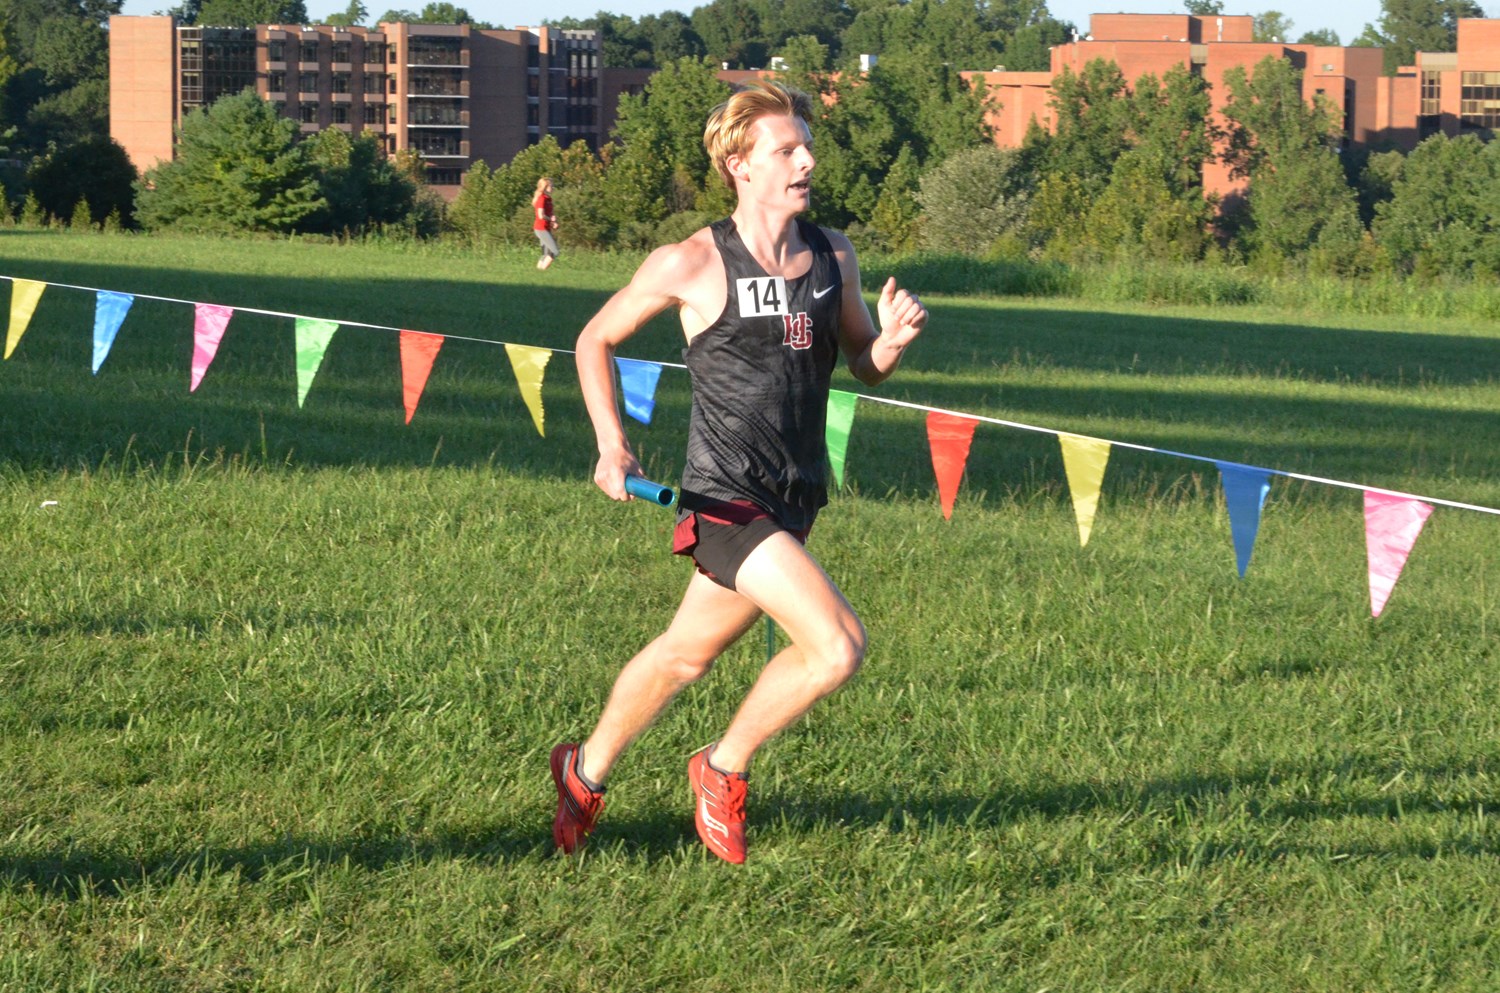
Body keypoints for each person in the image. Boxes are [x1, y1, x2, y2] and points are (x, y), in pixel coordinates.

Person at [556, 80, 928, 864]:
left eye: (806, 145)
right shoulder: (692, 260)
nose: (807, 160)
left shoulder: (831, 255)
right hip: (725, 499)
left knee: (683, 655)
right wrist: (611, 444)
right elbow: (595, 339)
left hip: (795, 498)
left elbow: (862, 362)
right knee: (836, 646)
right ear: (739, 165)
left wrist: (889, 343)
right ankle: (720, 767)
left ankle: (581, 771)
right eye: (786, 149)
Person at [533, 176, 558, 270]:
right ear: (545, 187)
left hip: (545, 228)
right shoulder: (542, 198)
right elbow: (541, 215)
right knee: (555, 252)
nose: (553, 188)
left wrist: (552, 222)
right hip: (541, 228)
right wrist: (551, 220)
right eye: (551, 186)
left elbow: (548, 215)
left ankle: (537, 273)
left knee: (545, 254)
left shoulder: (548, 199)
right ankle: (543, 271)